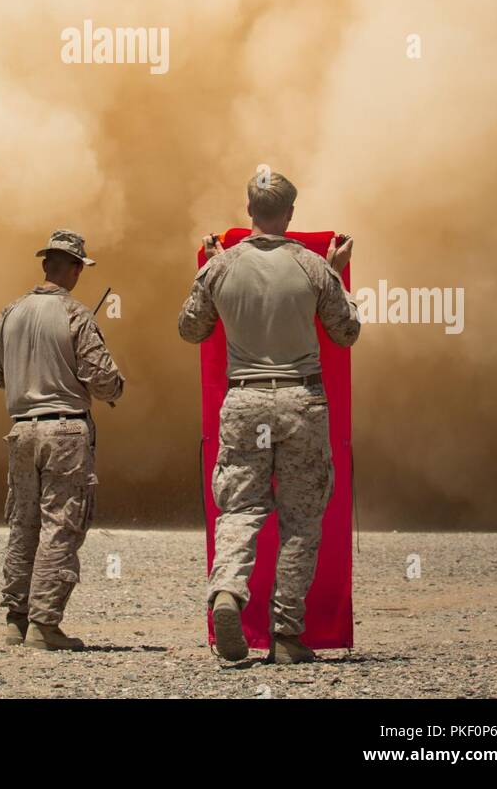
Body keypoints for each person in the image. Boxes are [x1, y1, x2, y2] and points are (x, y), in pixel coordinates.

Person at [178, 171, 360, 664]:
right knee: (301, 521)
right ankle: (287, 634)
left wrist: (214, 272)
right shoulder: (312, 267)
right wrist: (337, 272)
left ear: (249, 209)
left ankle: (227, 594)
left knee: (240, 509)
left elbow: (191, 329)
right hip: (302, 403)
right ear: (291, 214)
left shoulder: (222, 267)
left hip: (243, 402)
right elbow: (346, 332)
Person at [0, 230, 124, 651]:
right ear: (76, 269)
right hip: (65, 431)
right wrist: (115, 388)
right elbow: (103, 379)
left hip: (22, 430)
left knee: (23, 523)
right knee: (61, 524)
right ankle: (45, 626)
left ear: (46, 264)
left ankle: (16, 620)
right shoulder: (76, 315)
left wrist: (31, 375)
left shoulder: (9, 313)